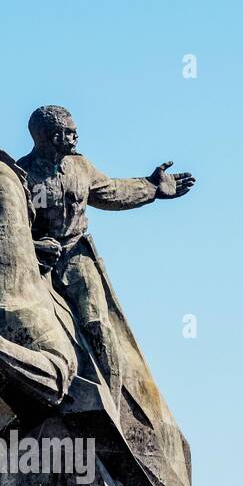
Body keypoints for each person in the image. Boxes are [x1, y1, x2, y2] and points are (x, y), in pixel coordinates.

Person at [18, 105, 194, 402]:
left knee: (96, 324)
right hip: (35, 263)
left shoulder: (80, 167)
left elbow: (111, 191)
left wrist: (152, 188)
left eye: (75, 131)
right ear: (48, 137)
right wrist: (33, 247)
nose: (75, 137)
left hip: (76, 259)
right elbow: (10, 226)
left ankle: (110, 403)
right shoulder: (22, 174)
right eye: (68, 132)